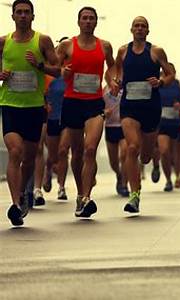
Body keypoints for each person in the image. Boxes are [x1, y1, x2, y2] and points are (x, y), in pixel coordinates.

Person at [0, 0, 60, 226]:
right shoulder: (4, 42)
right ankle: (15, 204)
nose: (23, 16)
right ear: (13, 16)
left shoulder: (42, 41)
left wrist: (40, 66)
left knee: (28, 157)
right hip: (10, 105)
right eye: (19, 12)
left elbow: (59, 70)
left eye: (27, 12)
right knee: (15, 151)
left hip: (34, 107)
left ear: (32, 17)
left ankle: (24, 193)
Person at [57, 6, 117, 218]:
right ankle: (80, 193)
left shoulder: (105, 46)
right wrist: (62, 71)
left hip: (94, 104)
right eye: (85, 18)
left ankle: (86, 197)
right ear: (79, 22)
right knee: (78, 152)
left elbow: (112, 67)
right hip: (72, 102)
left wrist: (112, 81)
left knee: (91, 149)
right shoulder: (67, 45)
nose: (88, 21)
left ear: (96, 22)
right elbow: (53, 66)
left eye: (92, 18)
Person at [113, 16, 173, 213]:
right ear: (131, 29)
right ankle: (134, 195)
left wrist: (161, 82)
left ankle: (148, 163)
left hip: (151, 108)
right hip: (129, 107)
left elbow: (170, 72)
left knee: (145, 156)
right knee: (132, 147)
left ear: (148, 31)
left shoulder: (155, 51)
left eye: (143, 26)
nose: (139, 29)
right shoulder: (123, 51)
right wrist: (115, 82)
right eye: (136, 26)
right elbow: (115, 73)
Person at [157, 63, 180, 192]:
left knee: (174, 155)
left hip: (175, 124)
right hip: (161, 124)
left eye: (170, 72)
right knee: (164, 151)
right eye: (165, 72)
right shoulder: (158, 85)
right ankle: (168, 179)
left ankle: (178, 176)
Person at [44, 37, 70, 201]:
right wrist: (45, 103)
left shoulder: (72, 73)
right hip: (51, 118)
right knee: (53, 156)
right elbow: (40, 90)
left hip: (68, 117)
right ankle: (48, 171)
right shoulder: (50, 73)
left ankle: (61, 187)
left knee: (63, 152)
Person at [103, 85, 129, 197]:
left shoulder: (127, 88)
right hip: (110, 127)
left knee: (124, 154)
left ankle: (124, 184)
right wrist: (104, 112)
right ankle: (119, 174)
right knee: (113, 162)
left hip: (124, 125)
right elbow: (98, 106)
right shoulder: (105, 90)